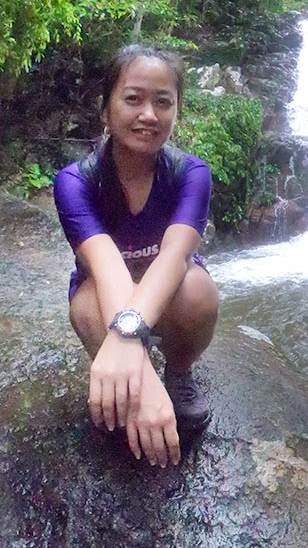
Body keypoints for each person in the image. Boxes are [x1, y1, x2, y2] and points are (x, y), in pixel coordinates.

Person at [54, 45, 219, 468]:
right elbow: (106, 266)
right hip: (105, 292)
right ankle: (128, 382)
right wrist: (143, 383)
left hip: (169, 287)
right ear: (106, 108)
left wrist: (131, 341)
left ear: (176, 110)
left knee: (199, 289)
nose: (149, 114)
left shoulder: (191, 174)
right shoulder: (76, 182)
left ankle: (178, 373)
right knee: (88, 308)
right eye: (133, 99)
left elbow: (175, 256)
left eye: (163, 102)